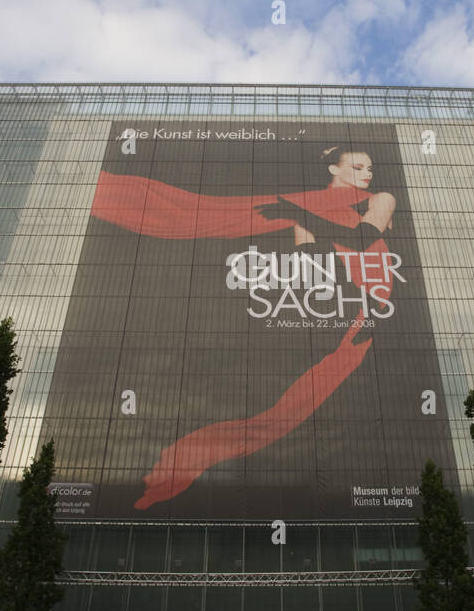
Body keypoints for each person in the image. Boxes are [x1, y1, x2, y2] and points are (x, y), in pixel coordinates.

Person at [88, 145, 399, 509]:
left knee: (285, 413)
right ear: (333, 168)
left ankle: (183, 463)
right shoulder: (306, 206)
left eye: (370, 167)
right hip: (344, 305)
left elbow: (361, 239)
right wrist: (300, 228)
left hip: (371, 304)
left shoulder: (380, 198)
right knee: (279, 414)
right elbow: (309, 266)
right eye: (358, 166)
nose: (368, 173)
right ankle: (181, 465)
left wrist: (300, 215)